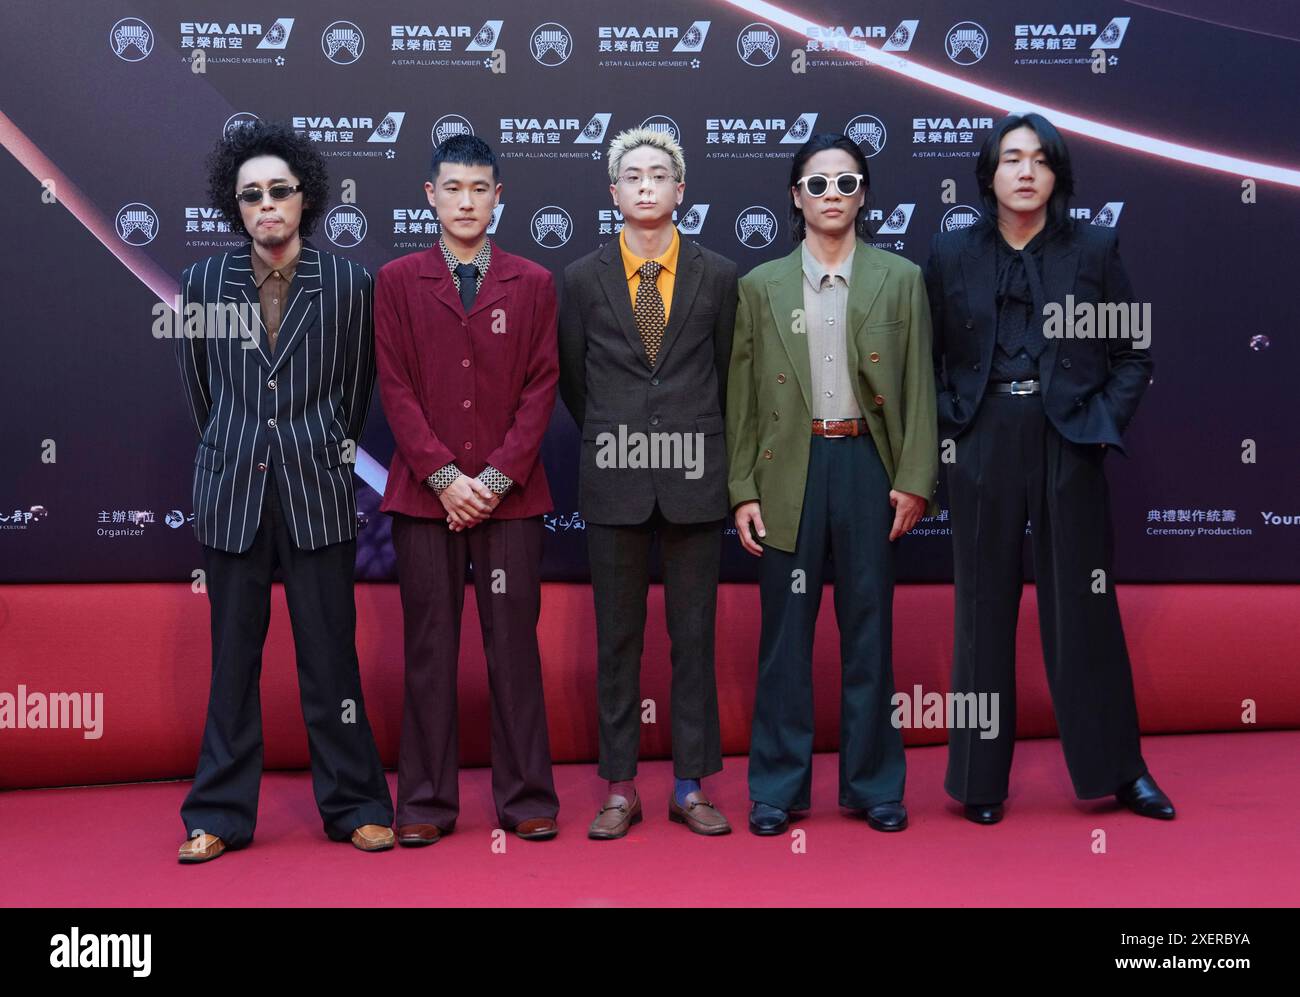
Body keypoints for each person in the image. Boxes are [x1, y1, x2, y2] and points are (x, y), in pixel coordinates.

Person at [925, 112, 1174, 824]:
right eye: (1011, 159)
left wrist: (1098, 426)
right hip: (982, 440)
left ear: (1057, 173)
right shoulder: (951, 253)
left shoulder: (1094, 248)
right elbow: (928, 360)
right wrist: (956, 427)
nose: (1025, 171)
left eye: (1039, 159)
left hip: (1068, 438)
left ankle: (1119, 772)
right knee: (981, 610)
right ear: (990, 174)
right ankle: (978, 781)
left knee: (1084, 610)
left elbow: (1134, 353)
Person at [174, 120, 393, 862]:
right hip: (232, 491)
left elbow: (355, 396)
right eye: (251, 195)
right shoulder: (204, 283)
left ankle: (357, 803)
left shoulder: (351, 284)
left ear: (305, 198)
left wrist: (314, 450)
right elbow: (203, 395)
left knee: (332, 661)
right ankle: (218, 813)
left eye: (279, 192)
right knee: (232, 662)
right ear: (235, 206)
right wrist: (244, 447)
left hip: (317, 490)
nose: (267, 205)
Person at [727, 133, 938, 836]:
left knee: (869, 632)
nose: (832, 197)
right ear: (795, 196)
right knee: (784, 639)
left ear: (864, 195)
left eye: (846, 184)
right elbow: (743, 400)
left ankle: (873, 783)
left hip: (866, 467)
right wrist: (742, 489)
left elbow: (919, 385)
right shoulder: (759, 286)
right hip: (788, 468)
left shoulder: (901, 278)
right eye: (817, 185)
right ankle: (777, 788)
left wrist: (914, 478)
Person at [374, 135, 561, 845]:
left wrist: (494, 478)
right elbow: (394, 387)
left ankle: (527, 795)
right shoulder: (395, 281)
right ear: (430, 195)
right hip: (425, 500)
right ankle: (423, 801)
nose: (466, 200)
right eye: (453, 187)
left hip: (512, 498)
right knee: (429, 648)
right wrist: (448, 479)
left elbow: (543, 386)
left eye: (480, 188)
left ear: (498, 196)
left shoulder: (534, 283)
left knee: (514, 646)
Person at [558, 127, 739, 838]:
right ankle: (619, 785)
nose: (643, 186)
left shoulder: (719, 274)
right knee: (618, 638)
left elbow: (730, 376)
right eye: (630, 176)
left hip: (698, 480)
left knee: (694, 636)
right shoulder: (581, 277)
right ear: (613, 193)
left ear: (679, 190)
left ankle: (691, 783)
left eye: (657, 175)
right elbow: (577, 382)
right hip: (614, 481)